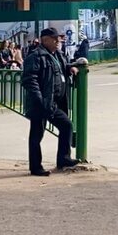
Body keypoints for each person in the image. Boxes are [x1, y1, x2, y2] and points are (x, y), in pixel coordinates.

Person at [21, 28, 78, 176]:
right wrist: (40, 100)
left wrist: (70, 68)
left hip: (55, 101)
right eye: (55, 40)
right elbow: (29, 80)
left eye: (58, 40)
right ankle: (36, 167)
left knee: (65, 126)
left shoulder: (56, 54)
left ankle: (63, 159)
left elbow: (61, 68)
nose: (58, 42)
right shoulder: (36, 56)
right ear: (45, 40)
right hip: (42, 103)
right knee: (37, 135)